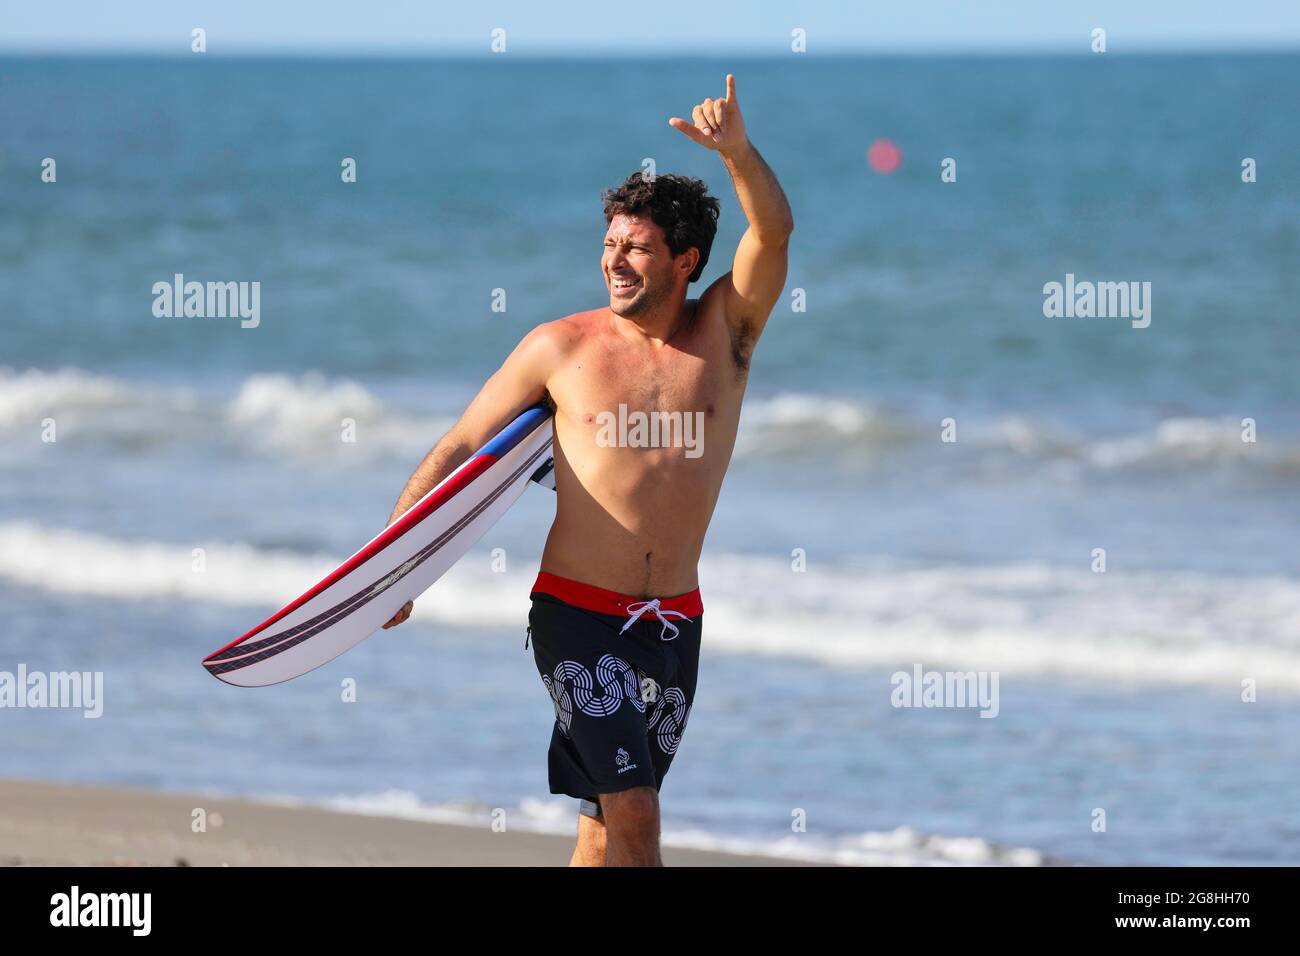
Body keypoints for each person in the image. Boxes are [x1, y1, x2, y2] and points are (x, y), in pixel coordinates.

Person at [383, 74, 793, 866]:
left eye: (636, 247)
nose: (615, 261)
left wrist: (738, 154)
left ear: (687, 259)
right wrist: (397, 564)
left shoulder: (726, 333)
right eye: (609, 244)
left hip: (676, 624)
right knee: (634, 811)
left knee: (605, 827)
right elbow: (461, 447)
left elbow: (773, 237)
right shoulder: (559, 348)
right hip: (575, 617)